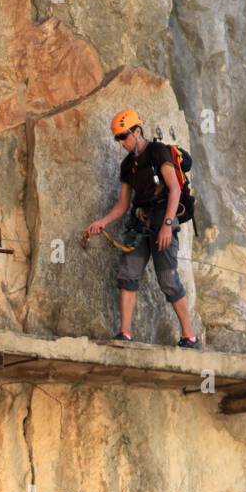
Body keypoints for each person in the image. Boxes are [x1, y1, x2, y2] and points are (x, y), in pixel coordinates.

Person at [83, 109, 199, 346]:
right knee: (127, 273)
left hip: (163, 218)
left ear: (137, 131)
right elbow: (123, 204)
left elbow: (175, 189)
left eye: (123, 136)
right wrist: (101, 222)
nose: (121, 142)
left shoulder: (158, 152)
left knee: (167, 278)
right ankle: (125, 333)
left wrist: (167, 225)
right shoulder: (127, 165)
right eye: (117, 138)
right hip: (140, 222)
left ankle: (190, 335)